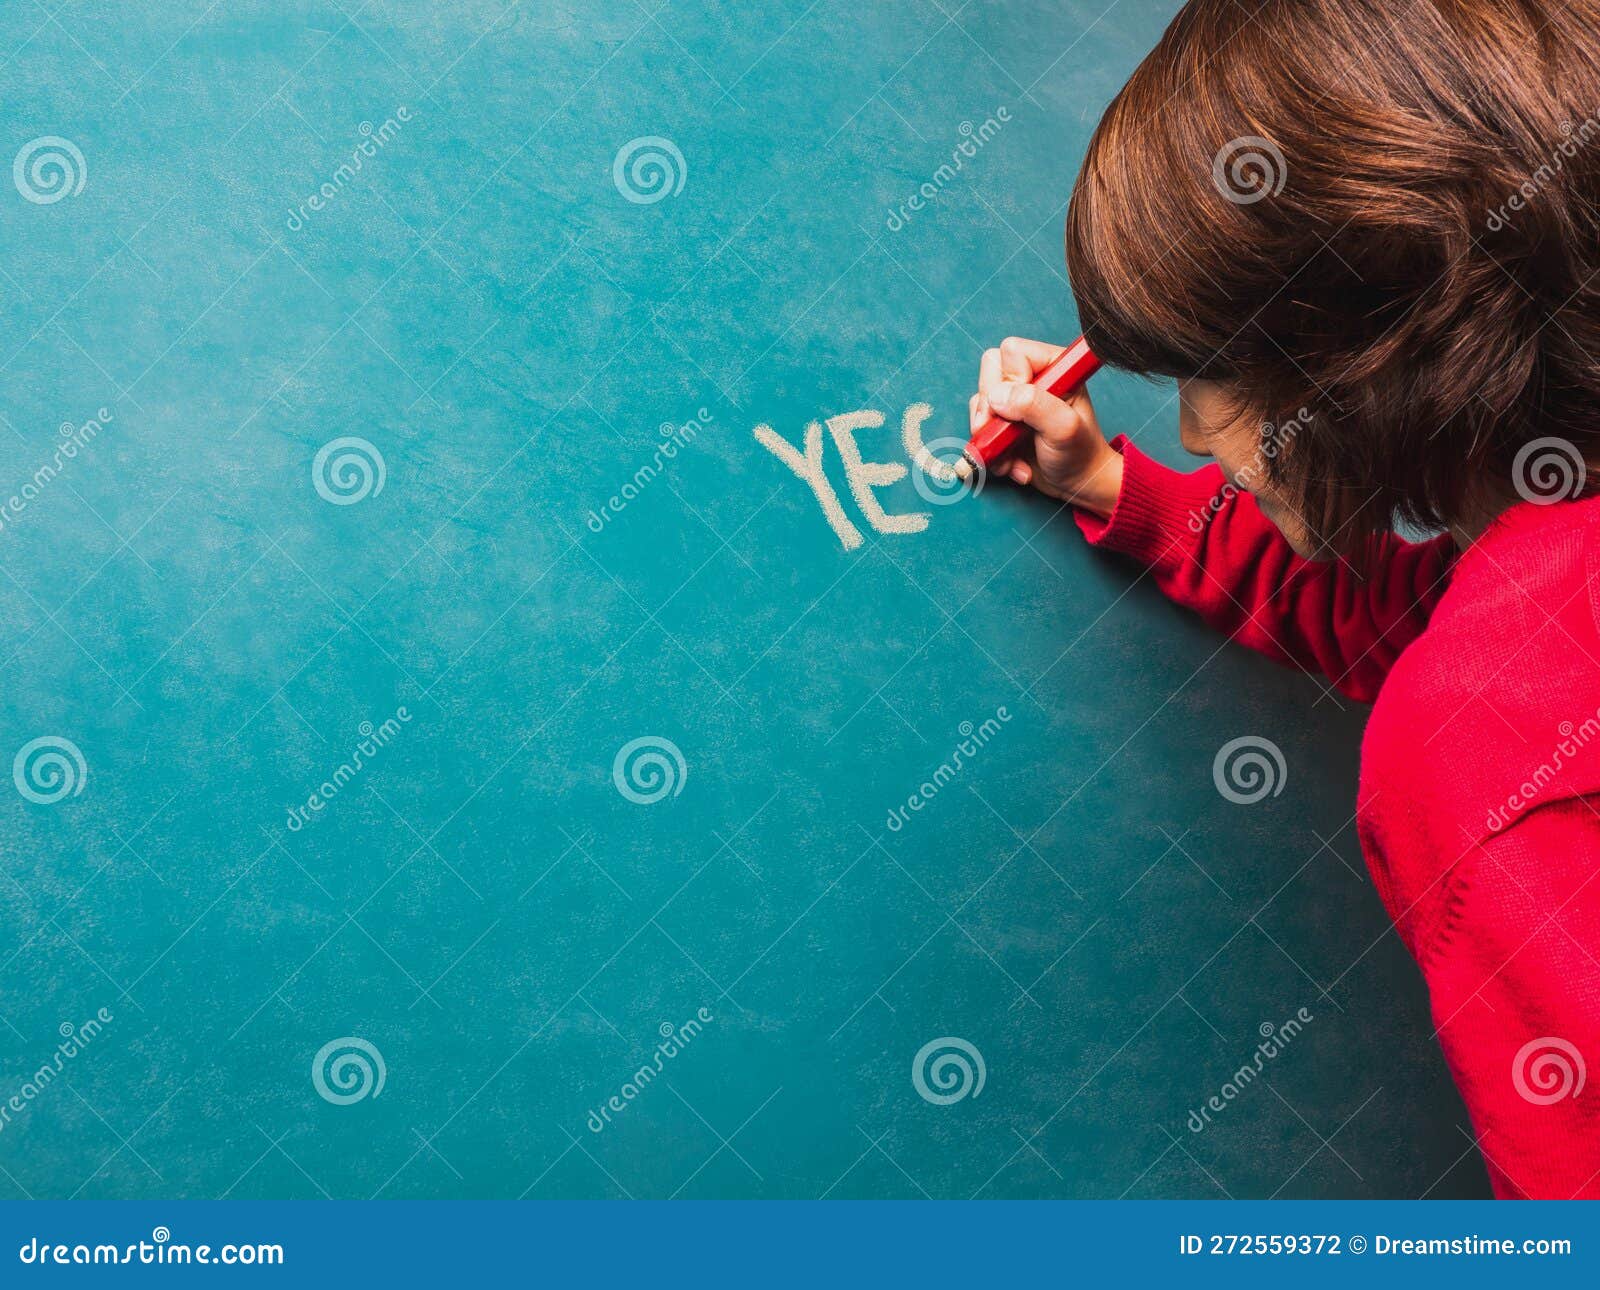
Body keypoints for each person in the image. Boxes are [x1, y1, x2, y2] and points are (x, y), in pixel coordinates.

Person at [973, 0, 1600, 1198]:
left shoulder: (1472, 745)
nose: (1199, 432)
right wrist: (1117, 487)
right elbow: (1437, 620)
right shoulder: (1536, 600)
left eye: (1214, 375)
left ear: (1377, 331)